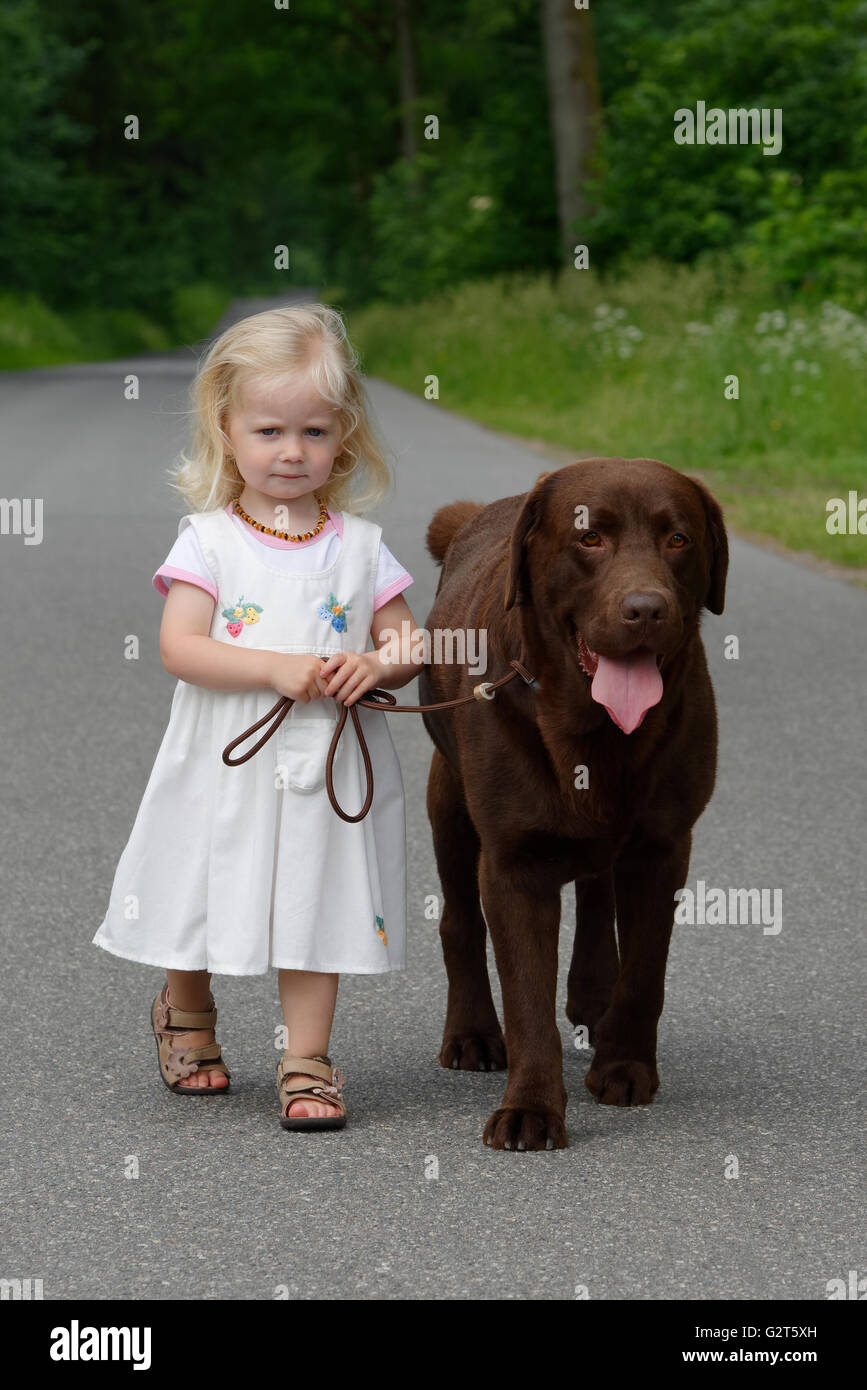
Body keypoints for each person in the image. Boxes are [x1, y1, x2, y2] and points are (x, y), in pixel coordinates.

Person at [93, 303, 424, 1130]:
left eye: (313, 432)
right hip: (225, 756)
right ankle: (187, 1010)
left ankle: (306, 1061)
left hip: (326, 765)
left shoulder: (359, 544)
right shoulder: (208, 541)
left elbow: (408, 639)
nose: (291, 451)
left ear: (342, 435)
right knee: (198, 886)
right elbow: (182, 647)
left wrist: (376, 662)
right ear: (226, 426)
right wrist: (275, 667)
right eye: (269, 430)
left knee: (318, 895)